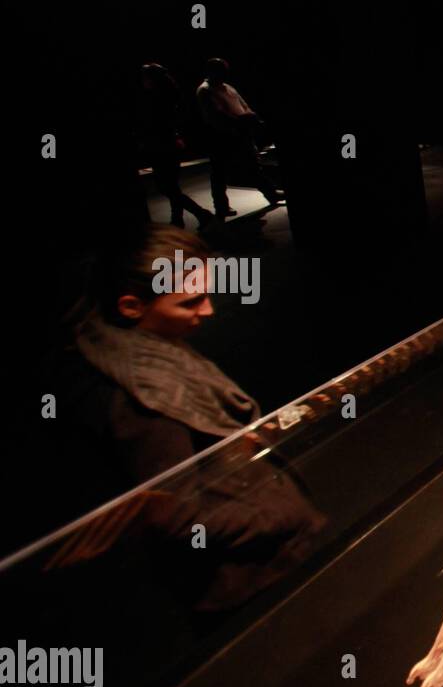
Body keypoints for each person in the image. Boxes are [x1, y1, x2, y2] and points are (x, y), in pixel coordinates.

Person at [50, 224, 324, 611]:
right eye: (190, 302)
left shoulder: (142, 350)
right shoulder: (146, 400)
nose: (208, 310)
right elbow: (179, 520)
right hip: (248, 582)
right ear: (131, 306)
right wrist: (280, 514)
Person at [195, 57, 284, 219]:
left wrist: (251, 117)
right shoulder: (205, 90)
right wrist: (243, 121)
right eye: (221, 70)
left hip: (240, 133)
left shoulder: (227, 87)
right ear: (212, 71)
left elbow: (243, 105)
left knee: (253, 167)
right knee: (219, 173)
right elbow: (217, 115)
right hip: (222, 137)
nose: (225, 73)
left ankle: (271, 194)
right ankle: (221, 207)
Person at [139, 63, 213, 230]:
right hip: (170, 144)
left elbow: (155, 125)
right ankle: (177, 220)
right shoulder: (168, 95)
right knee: (171, 185)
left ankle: (201, 213)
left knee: (166, 187)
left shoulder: (155, 99)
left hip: (161, 146)